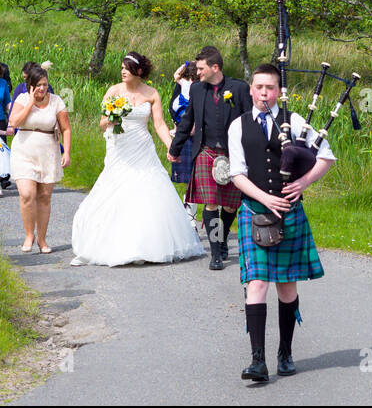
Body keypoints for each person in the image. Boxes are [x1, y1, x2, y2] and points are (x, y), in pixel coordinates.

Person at [228, 63, 336, 382]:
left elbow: (326, 157)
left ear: (279, 91)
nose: (264, 93)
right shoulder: (239, 126)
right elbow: (237, 174)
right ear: (251, 90)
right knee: (258, 283)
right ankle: (257, 361)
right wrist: (264, 197)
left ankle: (285, 353)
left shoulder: (296, 121)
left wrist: (304, 184)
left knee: (287, 288)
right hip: (254, 211)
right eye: (259, 87)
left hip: (290, 212)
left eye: (270, 88)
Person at [70, 52, 205, 267]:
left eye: (127, 67)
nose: (123, 71)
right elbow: (102, 123)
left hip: (142, 147)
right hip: (119, 148)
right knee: (118, 189)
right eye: (122, 67)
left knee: (146, 191)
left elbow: (159, 125)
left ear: (139, 71)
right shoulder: (114, 91)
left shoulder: (152, 93)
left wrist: (173, 147)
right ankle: (114, 244)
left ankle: (146, 245)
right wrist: (112, 119)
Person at [167, 45, 253, 270]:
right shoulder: (197, 89)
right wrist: (175, 148)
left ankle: (221, 238)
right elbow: (188, 121)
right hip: (206, 152)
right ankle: (215, 253)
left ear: (215, 67)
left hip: (234, 154)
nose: (197, 72)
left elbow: (250, 121)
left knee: (232, 205)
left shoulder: (239, 88)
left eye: (201, 68)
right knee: (211, 202)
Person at [9, 66, 70, 253]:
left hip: (48, 152)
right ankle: (29, 235)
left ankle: (42, 239)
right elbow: (14, 122)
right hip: (24, 152)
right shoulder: (22, 99)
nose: (42, 89)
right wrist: (30, 103)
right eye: (38, 86)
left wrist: (66, 152)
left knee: (44, 197)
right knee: (27, 194)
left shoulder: (56, 101)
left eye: (44, 85)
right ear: (30, 86)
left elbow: (66, 128)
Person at [169, 60, 198, 190]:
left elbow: (176, 74)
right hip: (189, 124)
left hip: (183, 120)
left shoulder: (184, 82)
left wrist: (185, 65)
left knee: (189, 179)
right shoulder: (200, 85)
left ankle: (189, 206)